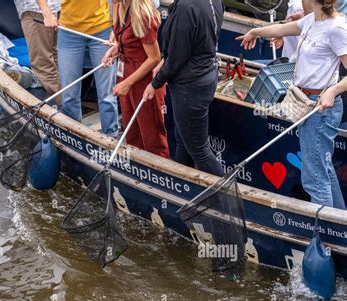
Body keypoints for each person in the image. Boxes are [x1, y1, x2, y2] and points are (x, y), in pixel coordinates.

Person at [237, 0, 347, 209]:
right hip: (307, 102)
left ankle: (323, 237)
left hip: (320, 109)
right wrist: (256, 32)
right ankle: (340, 229)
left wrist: (333, 91)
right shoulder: (312, 20)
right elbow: (280, 28)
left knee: (314, 180)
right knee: (323, 169)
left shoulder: (336, 29)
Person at [143, 0, 225, 176]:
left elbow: (177, 58)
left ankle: (229, 200)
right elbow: (193, 43)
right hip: (205, 76)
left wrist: (154, 83)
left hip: (190, 86)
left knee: (200, 151)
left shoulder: (186, 7)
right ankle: (181, 184)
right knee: (183, 141)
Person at [38, 0, 119, 137]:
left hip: (103, 31)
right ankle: (75, 137)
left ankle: (111, 138)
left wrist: (116, 28)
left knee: (107, 95)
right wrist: (46, 13)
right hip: (68, 33)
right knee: (69, 95)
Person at [102, 0, 169, 158]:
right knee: (131, 131)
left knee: (151, 136)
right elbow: (128, 41)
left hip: (144, 79)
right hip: (126, 71)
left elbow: (154, 58)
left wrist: (128, 82)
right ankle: (136, 170)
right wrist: (115, 50)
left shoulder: (143, 15)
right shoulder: (119, 6)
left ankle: (158, 176)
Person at [0, 0, 61, 96]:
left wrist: (46, 11)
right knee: (57, 56)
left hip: (36, 10)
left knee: (43, 64)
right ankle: (68, 96)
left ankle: (65, 104)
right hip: (58, 6)